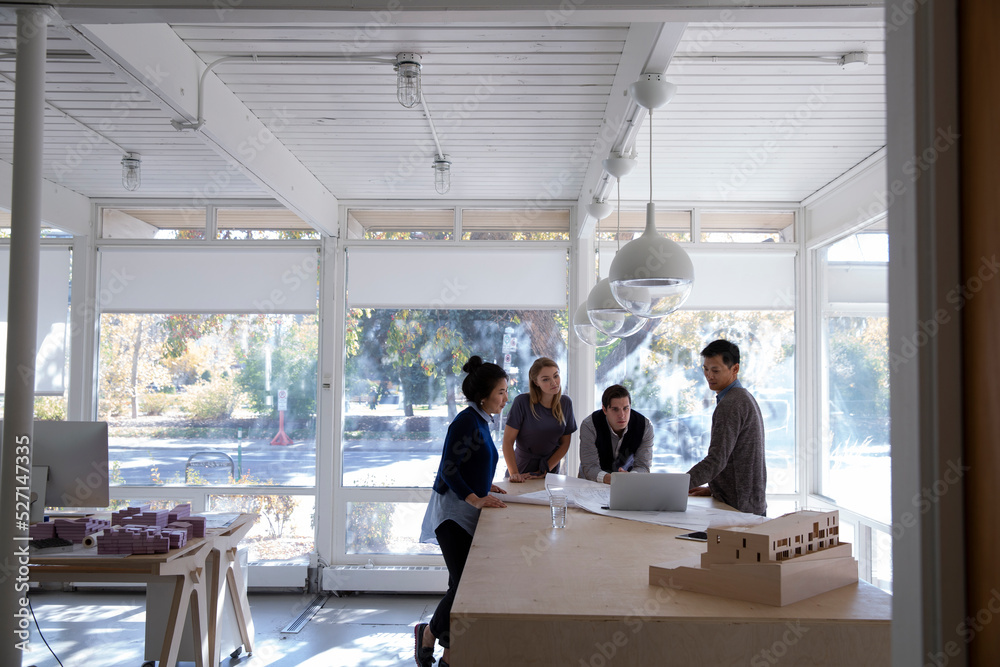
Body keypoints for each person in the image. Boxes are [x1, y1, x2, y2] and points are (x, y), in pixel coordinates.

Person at [416, 355, 509, 667]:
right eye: (501, 392)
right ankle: (447, 652)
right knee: (464, 586)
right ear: (484, 396)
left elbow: (473, 464)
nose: (505, 397)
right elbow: (449, 469)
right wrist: (474, 498)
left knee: (461, 585)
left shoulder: (481, 420)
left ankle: (430, 637)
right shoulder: (466, 421)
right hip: (452, 516)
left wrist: (486, 485)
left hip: (464, 513)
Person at [687, 339, 767, 516]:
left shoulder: (731, 404)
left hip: (738, 509)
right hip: (747, 504)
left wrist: (677, 486)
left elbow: (716, 460)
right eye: (706, 369)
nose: (709, 376)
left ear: (735, 369)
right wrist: (714, 488)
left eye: (715, 370)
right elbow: (736, 456)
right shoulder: (744, 397)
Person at [502, 357, 577, 482]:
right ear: (536, 382)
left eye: (555, 376)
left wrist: (545, 470)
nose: (554, 382)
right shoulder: (522, 402)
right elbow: (507, 442)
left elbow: (565, 443)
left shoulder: (566, 403)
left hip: (550, 469)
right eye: (546, 379)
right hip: (522, 469)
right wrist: (514, 473)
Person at [578, 384, 654, 484]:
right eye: (615, 409)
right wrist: (612, 479)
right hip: (591, 484)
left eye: (626, 408)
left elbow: (643, 466)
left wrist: (630, 477)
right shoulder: (589, 426)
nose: (622, 415)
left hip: (628, 485)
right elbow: (590, 467)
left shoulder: (645, 427)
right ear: (605, 410)